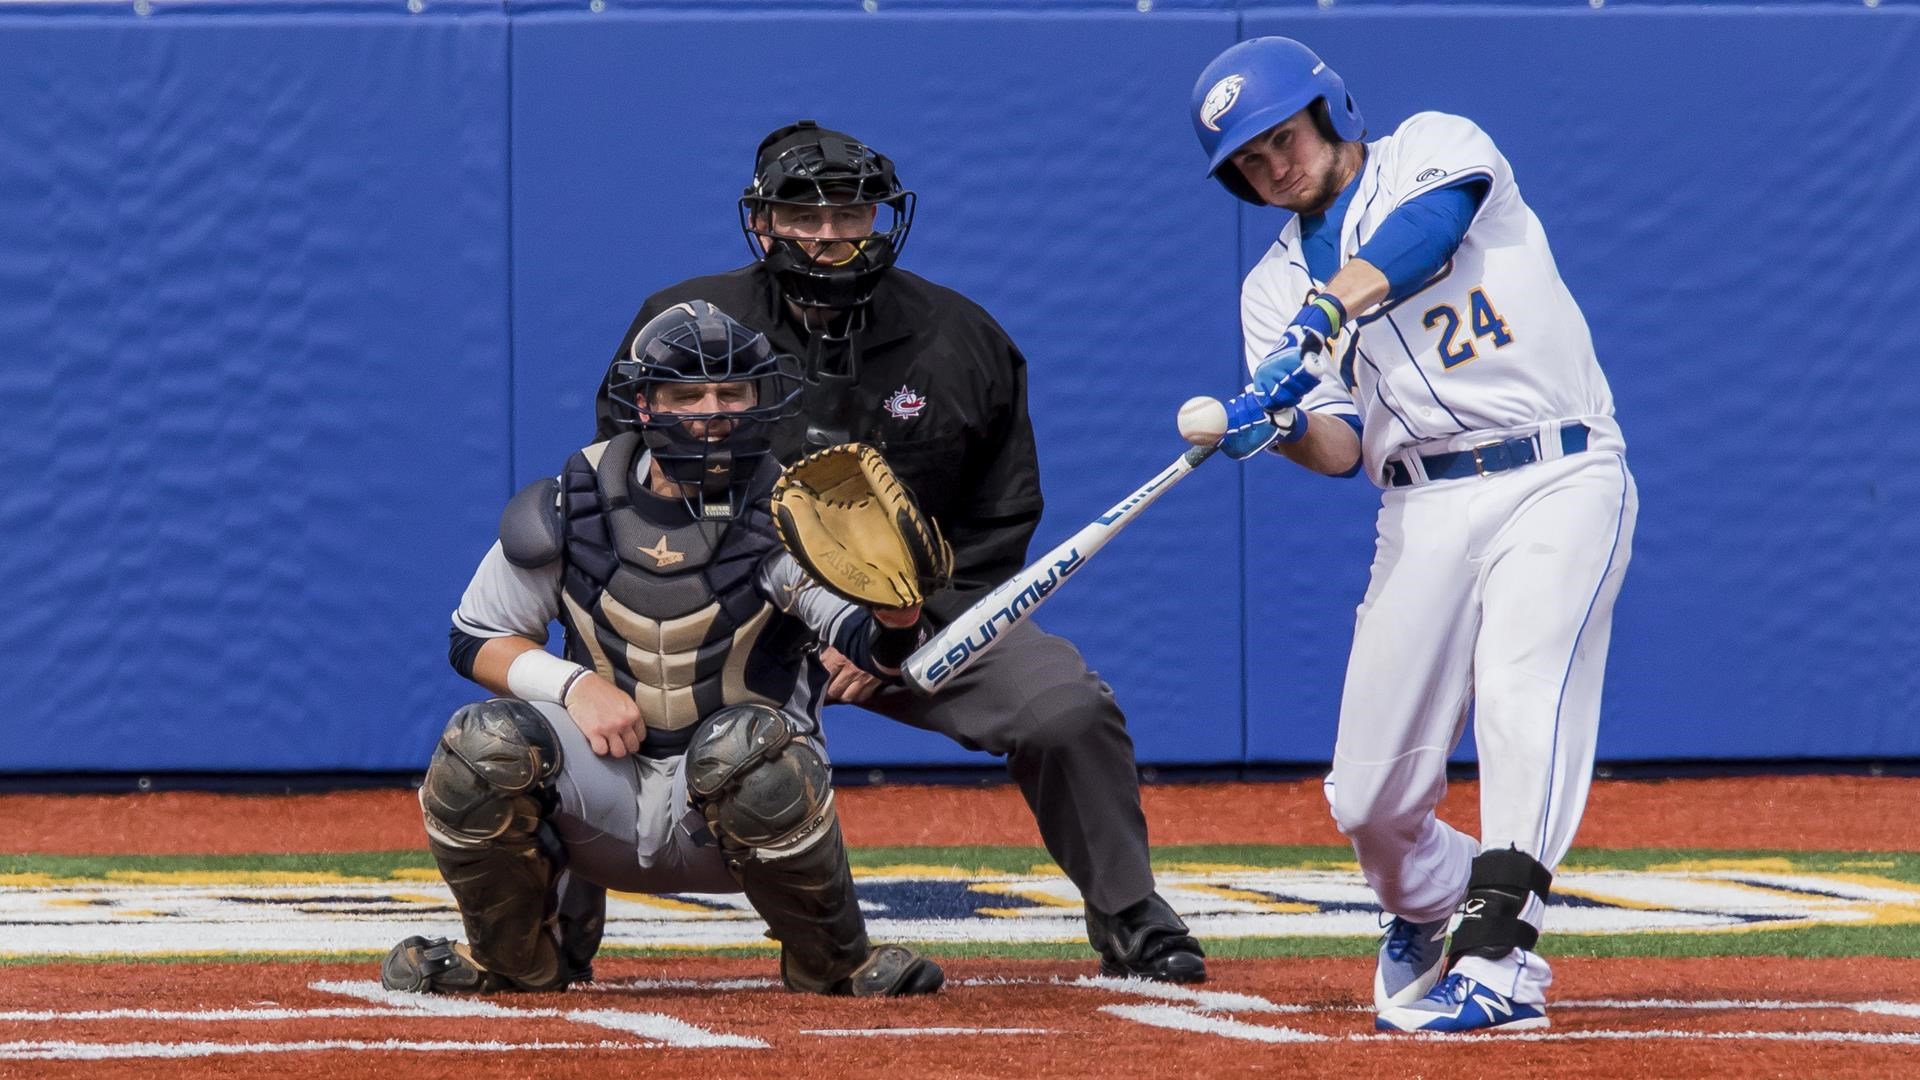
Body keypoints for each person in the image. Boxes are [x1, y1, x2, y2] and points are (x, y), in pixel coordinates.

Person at [591, 121, 1206, 984]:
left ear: (881, 217)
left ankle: (1130, 908)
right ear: (761, 222)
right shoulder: (684, 325)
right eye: (803, 216)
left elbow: (1000, 523)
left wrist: (896, 630)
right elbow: (628, 492)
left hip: (912, 616)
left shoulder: (962, 338)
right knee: (587, 711)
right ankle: (545, 935)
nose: (830, 234)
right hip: (724, 616)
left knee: (1064, 708)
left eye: (850, 213)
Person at [1188, 38, 1637, 1032]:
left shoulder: (1432, 146)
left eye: (1282, 137)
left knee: (1522, 691)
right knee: (1369, 801)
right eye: (1249, 161)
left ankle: (1501, 962)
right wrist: (1281, 427)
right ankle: (1435, 898)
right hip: (1420, 504)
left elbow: (1427, 235)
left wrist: (1323, 315)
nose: (1274, 166)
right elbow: (1342, 446)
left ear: (1329, 111)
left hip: (1556, 470)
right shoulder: (1268, 289)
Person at [381, 301, 944, 999]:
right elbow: (475, 636)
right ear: (645, 404)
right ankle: (518, 960)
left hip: (736, 814)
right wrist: (573, 687)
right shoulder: (575, 503)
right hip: (602, 794)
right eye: (689, 395)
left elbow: (874, 649)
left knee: (750, 752)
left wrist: (899, 614)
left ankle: (833, 961)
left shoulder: (791, 514)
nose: (715, 414)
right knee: (480, 745)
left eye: (732, 393)